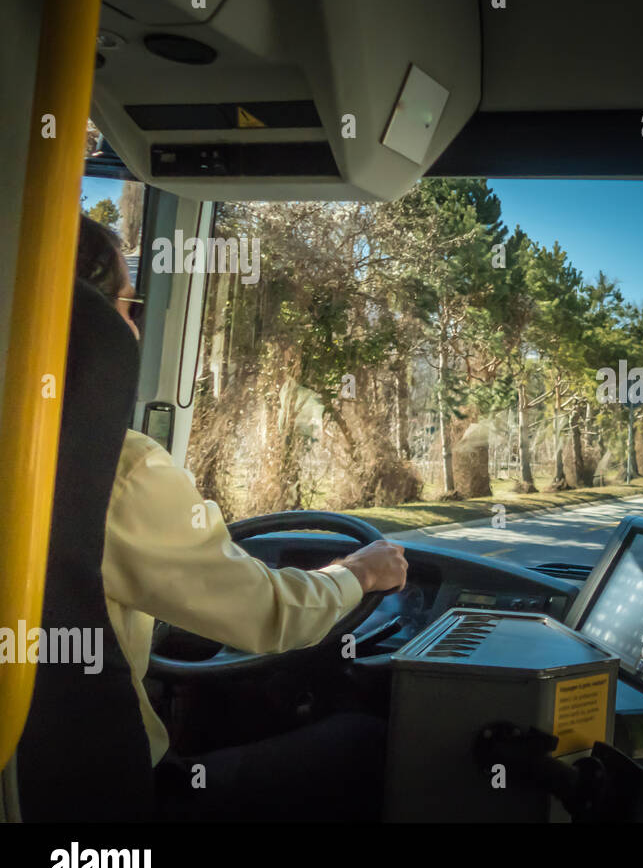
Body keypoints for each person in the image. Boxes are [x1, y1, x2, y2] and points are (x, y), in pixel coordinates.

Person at [74, 215, 407, 820]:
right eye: (126, 306)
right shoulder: (115, 468)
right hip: (106, 794)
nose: (132, 327)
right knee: (366, 741)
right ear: (83, 326)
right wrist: (359, 573)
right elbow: (268, 615)